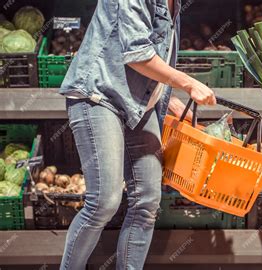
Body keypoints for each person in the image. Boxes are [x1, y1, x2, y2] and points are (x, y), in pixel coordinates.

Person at [57, 0, 215, 269]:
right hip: (99, 96)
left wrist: (166, 96)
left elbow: (157, 56)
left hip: (138, 104)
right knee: (104, 202)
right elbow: (138, 54)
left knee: (147, 201)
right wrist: (188, 84)